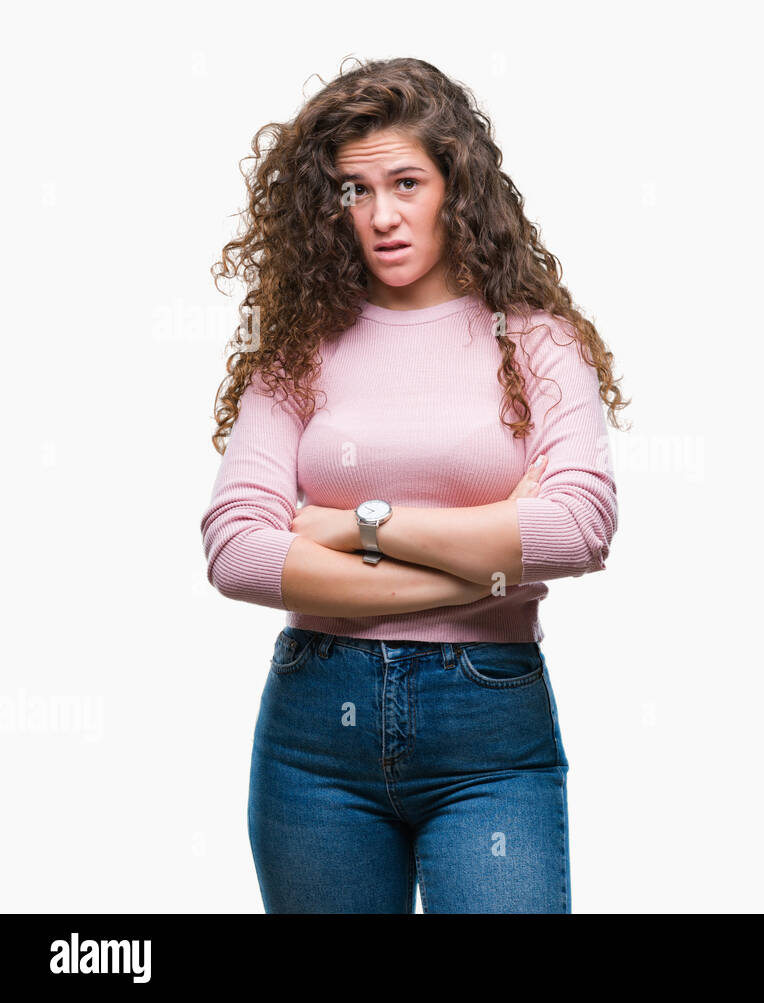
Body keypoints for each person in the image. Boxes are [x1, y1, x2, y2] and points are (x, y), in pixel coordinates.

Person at [198, 56, 628, 914]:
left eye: (406, 182)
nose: (384, 215)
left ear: (455, 187)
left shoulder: (536, 342)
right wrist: (490, 552)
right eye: (357, 191)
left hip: (489, 734)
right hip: (315, 735)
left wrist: (348, 523)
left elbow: (579, 526)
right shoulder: (300, 352)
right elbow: (237, 549)